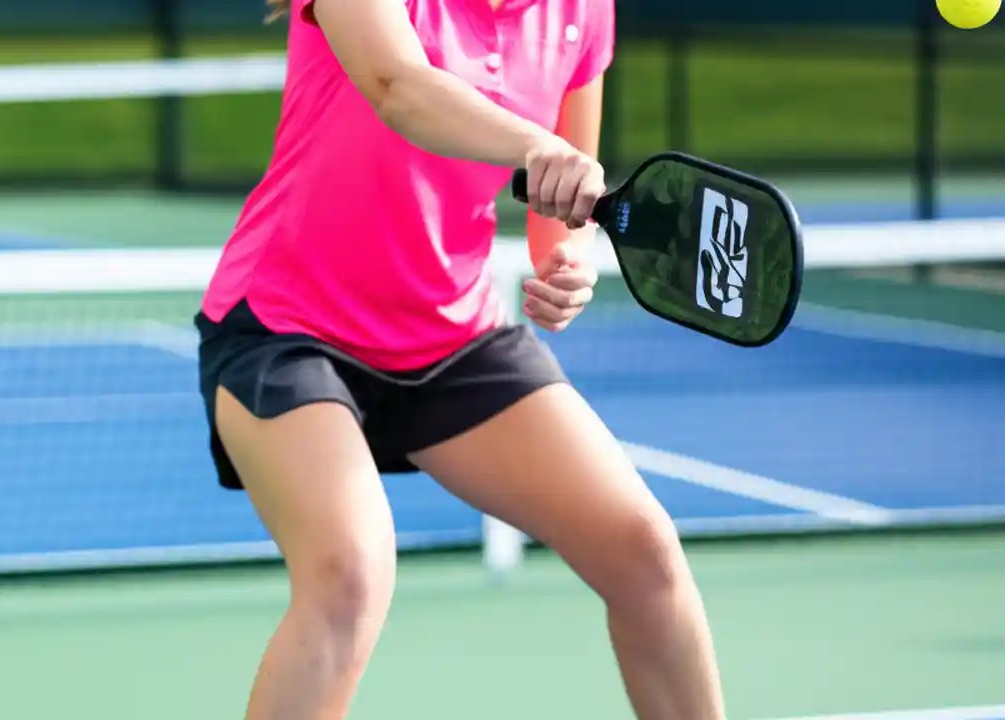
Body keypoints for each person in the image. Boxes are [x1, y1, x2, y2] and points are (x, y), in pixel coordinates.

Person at [194, 0, 728, 717]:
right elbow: (397, 86)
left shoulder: (582, 10)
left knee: (645, 554)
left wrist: (568, 260)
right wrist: (539, 150)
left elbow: (563, 206)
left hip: (450, 334)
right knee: (349, 574)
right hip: (287, 325)